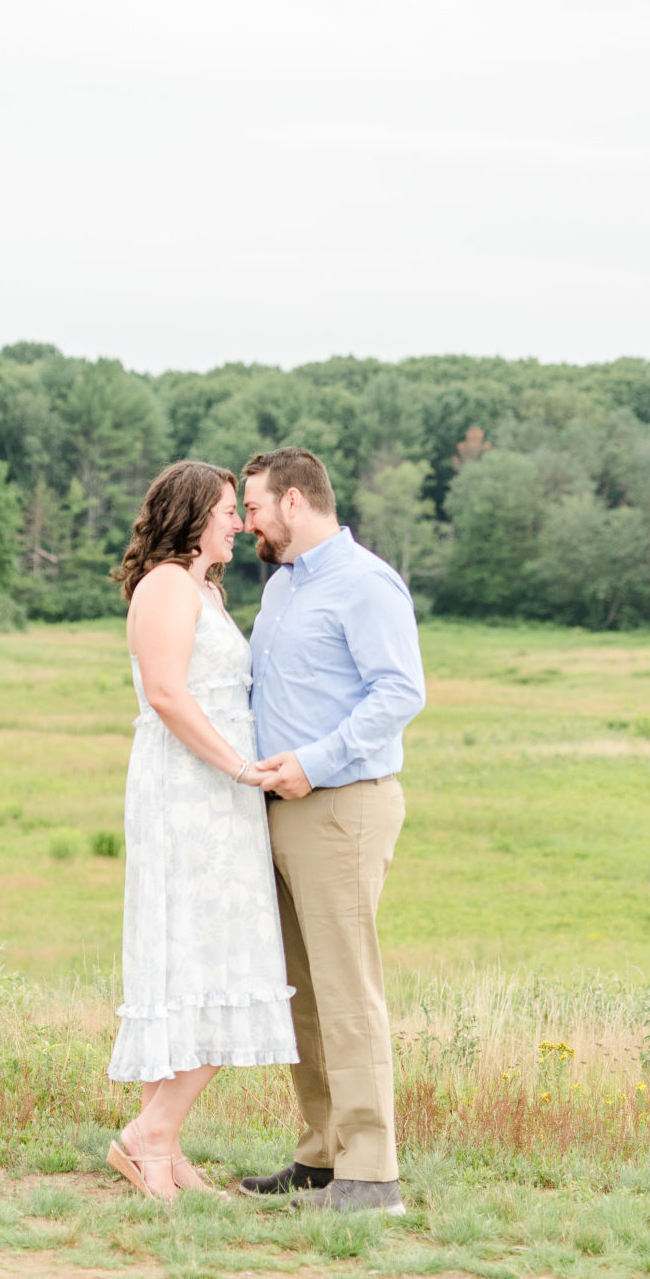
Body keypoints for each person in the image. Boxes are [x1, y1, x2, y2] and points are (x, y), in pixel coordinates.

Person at [238, 447, 427, 1216]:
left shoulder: (364, 582)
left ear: (291, 501)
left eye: (250, 504)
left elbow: (399, 692)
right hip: (279, 811)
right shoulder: (283, 586)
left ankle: (372, 1176)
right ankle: (323, 1158)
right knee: (301, 996)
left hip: (341, 804)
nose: (244, 518)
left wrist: (312, 764)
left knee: (347, 992)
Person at [106, 461, 297, 1201]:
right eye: (226, 510)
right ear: (191, 516)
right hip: (187, 791)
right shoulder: (163, 586)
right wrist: (237, 768)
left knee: (208, 957)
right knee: (208, 953)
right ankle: (147, 1137)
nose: (239, 523)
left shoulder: (206, 590)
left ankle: (160, 1143)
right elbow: (164, 694)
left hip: (220, 794)